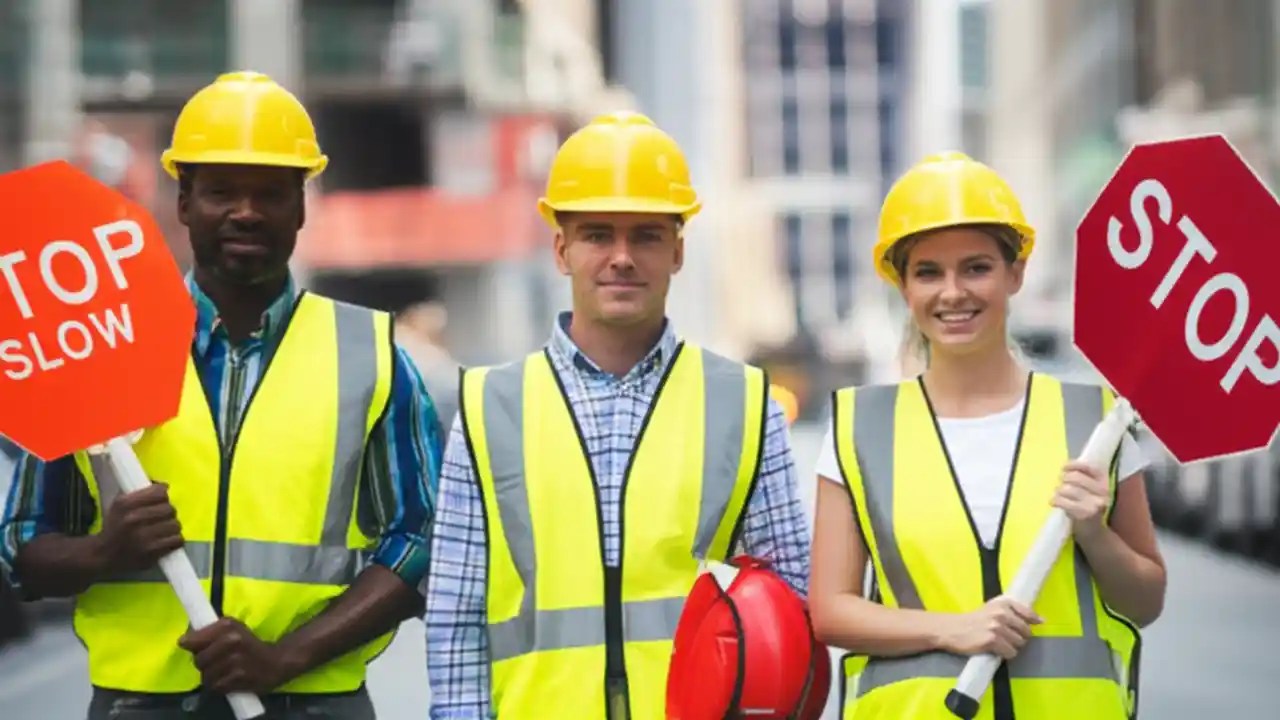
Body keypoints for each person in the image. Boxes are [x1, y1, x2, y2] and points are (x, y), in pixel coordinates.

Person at [0, 71, 443, 720]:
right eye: (221, 191)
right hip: (141, 705)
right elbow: (22, 546)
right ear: (184, 202)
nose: (245, 210)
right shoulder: (99, 344)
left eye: (268, 192)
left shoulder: (370, 356)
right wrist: (104, 550)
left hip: (313, 703)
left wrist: (285, 657)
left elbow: (422, 542)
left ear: (300, 205)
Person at [424, 111, 812, 719]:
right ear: (561, 249)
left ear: (678, 251)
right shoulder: (488, 406)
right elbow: (456, 619)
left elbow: (791, 604)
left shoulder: (745, 402)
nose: (622, 257)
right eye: (599, 234)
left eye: (647, 235)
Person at [808, 152, 1167, 719]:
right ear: (903, 285)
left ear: (1015, 273)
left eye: (976, 267)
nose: (953, 293)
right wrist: (955, 630)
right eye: (928, 272)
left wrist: (1094, 533)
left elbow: (1146, 601)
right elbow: (830, 611)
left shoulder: (1095, 421)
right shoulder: (859, 426)